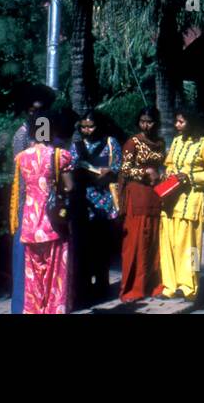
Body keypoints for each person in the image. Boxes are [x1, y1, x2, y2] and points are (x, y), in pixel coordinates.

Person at [13, 108, 75, 314]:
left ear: (32, 131)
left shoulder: (22, 157)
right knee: (56, 275)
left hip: (30, 225)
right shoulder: (59, 156)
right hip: (53, 224)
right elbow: (70, 187)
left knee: (33, 279)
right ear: (52, 130)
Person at [159, 108, 204, 300]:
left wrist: (190, 177)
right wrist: (168, 174)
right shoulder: (176, 141)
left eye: (181, 122)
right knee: (169, 245)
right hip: (171, 200)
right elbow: (169, 164)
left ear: (191, 123)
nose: (177, 125)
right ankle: (170, 285)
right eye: (176, 122)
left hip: (192, 202)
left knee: (192, 247)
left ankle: (190, 287)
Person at [10, 85, 56, 314]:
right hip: (26, 206)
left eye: (41, 110)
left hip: (48, 206)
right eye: (31, 110)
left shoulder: (46, 130)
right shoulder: (21, 135)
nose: (36, 114)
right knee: (23, 259)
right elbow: (21, 176)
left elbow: (51, 164)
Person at [71, 109, 121, 308]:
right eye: (83, 126)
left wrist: (111, 171)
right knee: (84, 249)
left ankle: (102, 288)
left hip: (104, 202)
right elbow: (70, 167)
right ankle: (83, 289)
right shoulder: (76, 146)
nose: (87, 130)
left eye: (90, 126)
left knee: (101, 247)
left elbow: (119, 166)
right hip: (84, 203)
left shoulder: (111, 143)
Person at [118, 106, 167, 302]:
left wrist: (162, 174)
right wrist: (146, 173)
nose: (146, 125)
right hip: (137, 195)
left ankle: (151, 284)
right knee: (136, 242)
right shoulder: (133, 142)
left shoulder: (160, 142)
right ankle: (132, 288)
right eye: (142, 121)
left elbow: (162, 164)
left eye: (150, 121)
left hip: (155, 195)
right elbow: (125, 169)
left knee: (153, 241)